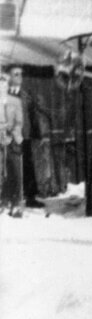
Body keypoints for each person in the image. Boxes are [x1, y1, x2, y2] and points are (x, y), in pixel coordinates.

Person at [6, 65, 42, 206]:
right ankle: (9, 198)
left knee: (28, 165)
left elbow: (33, 114)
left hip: (24, 135)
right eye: (15, 74)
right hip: (8, 137)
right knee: (10, 167)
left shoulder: (25, 95)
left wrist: (36, 133)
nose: (19, 77)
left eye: (20, 74)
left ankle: (31, 197)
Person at [0, 74, 25, 217]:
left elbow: (19, 121)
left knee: (15, 172)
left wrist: (12, 132)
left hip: (13, 141)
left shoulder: (15, 101)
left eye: (4, 84)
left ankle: (16, 203)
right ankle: (3, 200)